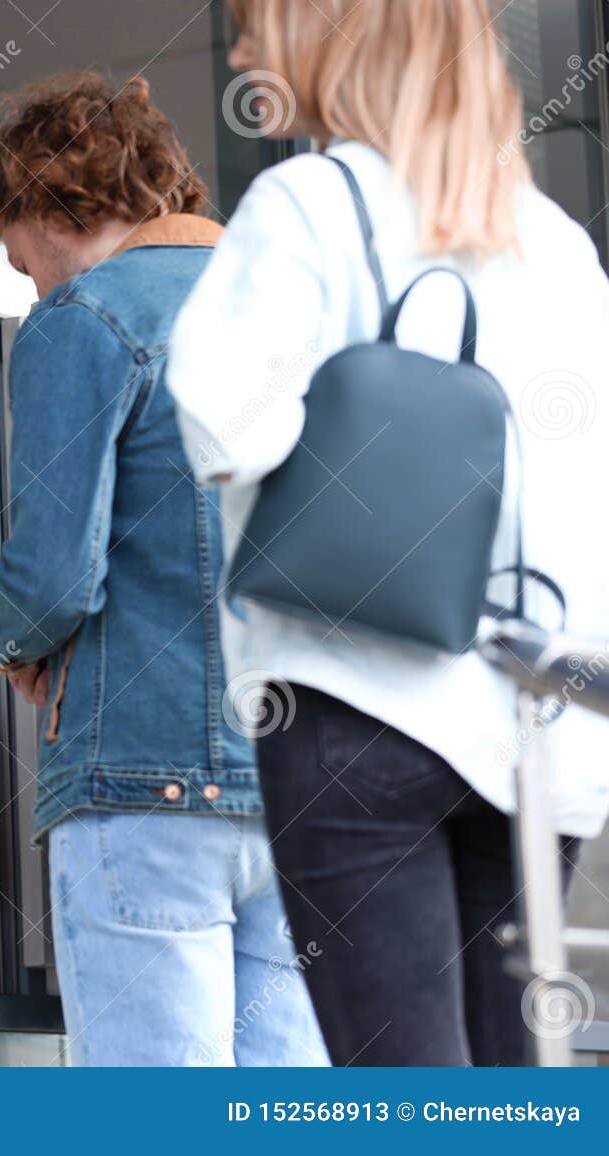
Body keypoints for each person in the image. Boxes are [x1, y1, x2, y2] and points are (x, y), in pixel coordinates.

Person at [167, 0, 609, 1065]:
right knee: (516, 1089)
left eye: (251, 26)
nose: (236, 55)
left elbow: (228, 425)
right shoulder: (558, 248)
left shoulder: (310, 201)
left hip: (352, 697)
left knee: (402, 1089)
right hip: (540, 723)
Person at [0, 72, 326, 1066]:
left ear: (47, 206)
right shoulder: (297, 310)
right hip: (299, 785)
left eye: (15, 249)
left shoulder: (85, 315)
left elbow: (53, 576)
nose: (23, 277)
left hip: (143, 779)